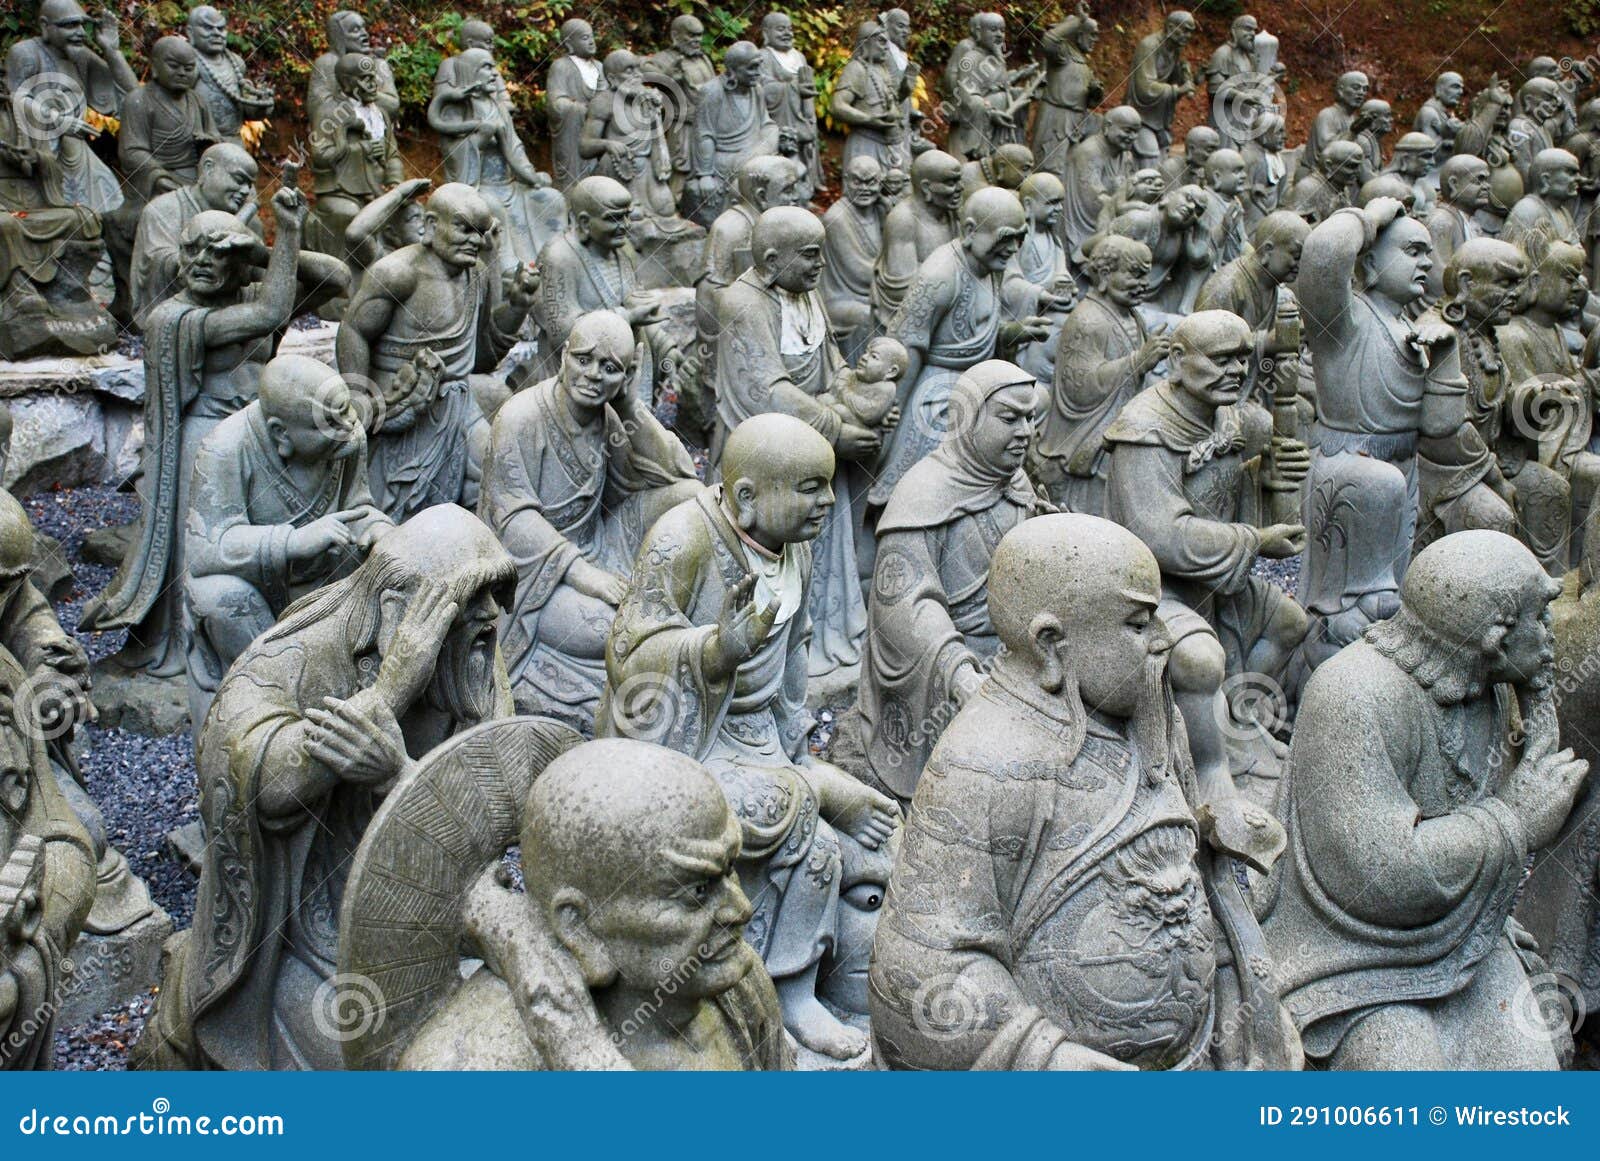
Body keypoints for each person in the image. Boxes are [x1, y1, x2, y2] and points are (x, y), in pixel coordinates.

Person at [870, 514, 1299, 1071]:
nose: (1164, 640)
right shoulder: (985, 764)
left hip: (1200, 1042)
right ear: (1052, 644)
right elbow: (921, 970)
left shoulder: (1153, 715)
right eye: (1139, 623)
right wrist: (1047, 1059)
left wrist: (1238, 979)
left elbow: (1184, 861)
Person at [133, 506, 519, 1071]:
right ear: (397, 612)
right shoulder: (293, 657)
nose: (489, 613)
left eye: (495, 595)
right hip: (319, 931)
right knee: (375, 1063)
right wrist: (388, 693)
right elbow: (251, 776)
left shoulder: (475, 659)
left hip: (439, 909)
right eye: (469, 599)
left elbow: (495, 793)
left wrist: (399, 773)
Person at [599, 415, 902, 1061]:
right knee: (802, 816)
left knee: (826, 841)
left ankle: (793, 988)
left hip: (758, 734)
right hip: (681, 738)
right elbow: (628, 651)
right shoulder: (682, 539)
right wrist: (714, 648)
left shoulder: (798, 543)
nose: (829, 501)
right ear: (744, 499)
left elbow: (798, 646)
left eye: (827, 487)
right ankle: (749, 983)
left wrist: (793, 737)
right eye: (811, 487)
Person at [1261, 531, 1583, 1069]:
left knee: (1528, 1066)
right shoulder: (1356, 693)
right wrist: (1513, 821)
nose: (1551, 635)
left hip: (1465, 935)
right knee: (1402, 1069)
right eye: (1540, 618)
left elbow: (1523, 769)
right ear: (1495, 637)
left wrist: (1538, 695)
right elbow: (1375, 873)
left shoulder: (1489, 683)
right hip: (1352, 953)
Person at [367, 736, 793, 1071]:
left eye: (731, 869)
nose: (741, 909)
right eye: (697, 892)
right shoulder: (472, 1065)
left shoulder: (740, 985)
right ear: (579, 927)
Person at [83, 178, 345, 677]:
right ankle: (189, 646)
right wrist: (286, 233)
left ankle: (260, 632)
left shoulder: (252, 287)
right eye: (191, 249)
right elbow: (269, 314)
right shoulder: (175, 318)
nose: (200, 261)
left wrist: (262, 253)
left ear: (239, 262)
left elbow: (336, 278)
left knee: (260, 538)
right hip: (202, 439)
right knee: (198, 540)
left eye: (217, 252)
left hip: (261, 438)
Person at [1104, 311, 1306, 871]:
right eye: (1221, 359)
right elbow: (1159, 533)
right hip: (1152, 589)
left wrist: (1265, 480)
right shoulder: (1143, 430)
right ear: (1176, 360)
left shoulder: (1230, 419)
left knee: (1291, 622)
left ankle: (1239, 722)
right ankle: (1210, 780)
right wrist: (1255, 539)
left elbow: (1224, 487)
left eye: (1244, 358)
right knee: (1198, 659)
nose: (1236, 370)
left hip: (1214, 582)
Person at [832, 362, 1049, 806]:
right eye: (1010, 418)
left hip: (1026, 648)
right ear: (968, 418)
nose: (1025, 431)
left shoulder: (1016, 484)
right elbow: (907, 605)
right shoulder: (923, 495)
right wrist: (957, 670)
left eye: (1030, 418)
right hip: (955, 662)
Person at [479, 311, 701, 731]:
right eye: (583, 359)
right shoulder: (520, 418)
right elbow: (513, 520)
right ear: (563, 356)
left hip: (600, 540)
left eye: (610, 368)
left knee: (690, 500)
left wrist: (630, 404)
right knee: (617, 631)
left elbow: (678, 473)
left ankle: (669, 614)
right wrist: (583, 575)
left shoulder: (609, 414)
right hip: (538, 577)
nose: (593, 376)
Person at [710, 208, 879, 677]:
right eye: (810, 256)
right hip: (769, 455)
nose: (821, 265)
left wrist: (858, 400)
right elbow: (769, 391)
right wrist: (837, 429)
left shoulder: (803, 291)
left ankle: (824, 628)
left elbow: (832, 361)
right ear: (769, 260)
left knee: (827, 540)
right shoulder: (742, 303)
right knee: (764, 556)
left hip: (816, 443)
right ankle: (762, 651)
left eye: (822, 254)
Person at [184, 354, 393, 726]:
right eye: (330, 422)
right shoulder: (224, 449)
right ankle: (260, 711)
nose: (348, 425)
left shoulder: (347, 436)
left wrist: (376, 530)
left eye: (347, 412)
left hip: (324, 578)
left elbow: (357, 507)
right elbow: (205, 549)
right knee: (219, 596)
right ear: (282, 434)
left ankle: (360, 702)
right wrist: (292, 541)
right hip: (258, 587)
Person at [337, 183, 538, 521]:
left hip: (460, 409)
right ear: (430, 227)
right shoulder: (398, 274)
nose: (474, 240)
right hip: (402, 407)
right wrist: (359, 395)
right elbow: (353, 330)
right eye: (463, 228)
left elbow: (482, 358)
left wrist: (517, 306)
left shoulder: (477, 274)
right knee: (390, 512)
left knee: (498, 472)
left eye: (481, 232)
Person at [877, 187, 1044, 501]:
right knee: (937, 480)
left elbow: (975, 333)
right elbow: (905, 348)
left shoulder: (991, 266)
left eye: (1019, 239)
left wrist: (1011, 334)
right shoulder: (939, 276)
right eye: (1006, 238)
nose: (1013, 249)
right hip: (936, 393)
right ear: (970, 230)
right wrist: (888, 413)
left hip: (978, 384)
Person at [1030, 234, 1165, 515]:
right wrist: (1139, 360)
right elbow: (1079, 388)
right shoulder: (1088, 320)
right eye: (1135, 275)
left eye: (1146, 276)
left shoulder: (1131, 315)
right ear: (1105, 273)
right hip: (1088, 439)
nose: (1144, 285)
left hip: (1122, 428)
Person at [428, 48, 564, 269]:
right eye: (486, 67)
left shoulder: (497, 105)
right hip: (482, 186)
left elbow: (515, 146)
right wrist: (482, 136)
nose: (494, 73)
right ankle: (508, 268)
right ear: (471, 72)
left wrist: (531, 176)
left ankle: (555, 257)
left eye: (493, 66)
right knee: (491, 208)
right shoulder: (458, 107)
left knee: (550, 198)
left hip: (512, 187)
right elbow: (453, 152)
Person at [130, 141, 257, 326]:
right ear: (208, 169)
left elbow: (260, 277)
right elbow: (159, 263)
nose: (246, 191)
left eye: (250, 184)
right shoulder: (164, 209)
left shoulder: (247, 220)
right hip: (173, 318)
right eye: (239, 180)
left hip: (228, 318)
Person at [579, 50, 699, 243]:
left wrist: (654, 114)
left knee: (666, 209)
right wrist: (607, 144)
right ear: (612, 78)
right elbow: (584, 147)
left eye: (637, 68)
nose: (637, 74)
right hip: (620, 168)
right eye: (629, 70)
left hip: (649, 169)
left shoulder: (647, 99)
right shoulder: (603, 102)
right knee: (632, 215)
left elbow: (657, 139)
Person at [307, 52, 403, 262]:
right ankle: (342, 277)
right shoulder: (329, 112)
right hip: (340, 191)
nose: (373, 84)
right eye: (365, 79)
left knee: (408, 215)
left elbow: (393, 154)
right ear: (347, 82)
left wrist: (394, 181)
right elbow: (320, 156)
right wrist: (359, 147)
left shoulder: (380, 114)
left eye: (374, 78)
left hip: (377, 189)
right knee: (349, 216)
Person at [685, 41, 786, 226]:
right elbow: (704, 134)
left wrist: (770, 138)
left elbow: (766, 123)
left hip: (754, 152)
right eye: (752, 68)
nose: (758, 73)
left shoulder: (756, 90)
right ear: (732, 70)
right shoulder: (712, 92)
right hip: (725, 158)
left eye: (759, 67)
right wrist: (705, 174)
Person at [117, 37, 219, 206]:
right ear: (155, 67)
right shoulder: (138, 100)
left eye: (189, 68)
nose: (182, 73)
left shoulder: (198, 100)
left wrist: (209, 144)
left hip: (199, 177)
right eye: (174, 66)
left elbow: (216, 138)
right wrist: (158, 176)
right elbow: (132, 152)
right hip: (159, 178)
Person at [871, 148, 961, 328]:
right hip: (912, 321)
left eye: (959, 180)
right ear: (927, 187)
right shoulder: (903, 220)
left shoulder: (952, 213)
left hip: (949, 307)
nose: (960, 188)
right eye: (951, 182)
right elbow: (901, 288)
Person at [820, 155, 886, 362]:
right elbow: (858, 271)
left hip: (877, 290)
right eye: (857, 181)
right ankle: (860, 375)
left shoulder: (880, 211)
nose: (864, 189)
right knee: (870, 317)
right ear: (845, 181)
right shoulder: (836, 218)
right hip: (842, 298)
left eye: (871, 182)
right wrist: (898, 277)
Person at [185, 6, 274, 147]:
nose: (216, 33)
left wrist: (261, 103)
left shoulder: (236, 63)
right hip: (198, 143)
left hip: (234, 140)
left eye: (221, 29)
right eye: (208, 28)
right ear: (190, 33)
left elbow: (247, 109)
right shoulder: (188, 61)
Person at [831, 21, 910, 176]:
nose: (886, 47)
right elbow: (837, 105)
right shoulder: (856, 69)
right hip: (866, 143)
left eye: (887, 43)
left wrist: (904, 91)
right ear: (866, 43)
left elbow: (890, 103)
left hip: (889, 143)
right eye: (881, 42)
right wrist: (868, 119)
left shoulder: (883, 70)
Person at [1033, 2, 1103, 177]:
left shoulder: (1082, 62)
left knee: (1068, 170)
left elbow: (1090, 101)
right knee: (1050, 168)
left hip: (1076, 122)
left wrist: (1095, 92)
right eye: (1092, 35)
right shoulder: (1063, 54)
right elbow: (1049, 41)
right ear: (1079, 34)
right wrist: (1079, 19)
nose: (1096, 40)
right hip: (1057, 118)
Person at [758, 13, 821, 202]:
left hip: (802, 114)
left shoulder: (799, 56)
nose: (787, 33)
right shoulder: (764, 57)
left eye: (789, 29)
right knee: (784, 154)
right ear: (766, 33)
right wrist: (792, 88)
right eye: (780, 29)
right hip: (779, 117)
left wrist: (810, 116)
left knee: (805, 152)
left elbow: (807, 86)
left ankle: (805, 193)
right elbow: (762, 88)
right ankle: (779, 194)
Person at [1127, 9, 1198, 166]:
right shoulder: (1149, 46)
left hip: (1160, 117)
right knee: (1150, 157)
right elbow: (1145, 88)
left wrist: (1186, 76)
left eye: (1190, 32)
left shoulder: (1175, 50)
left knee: (1163, 157)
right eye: (1185, 30)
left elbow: (1174, 83)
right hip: (1141, 115)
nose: (1188, 36)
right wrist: (1177, 90)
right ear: (1171, 27)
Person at [545, 19, 606, 191]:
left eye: (592, 36)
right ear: (569, 43)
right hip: (574, 133)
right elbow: (556, 104)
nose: (591, 41)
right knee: (575, 180)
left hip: (599, 130)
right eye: (585, 38)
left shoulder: (600, 67)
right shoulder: (561, 67)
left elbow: (609, 97)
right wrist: (585, 110)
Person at [306, 11, 398, 124]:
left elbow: (393, 106)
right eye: (355, 30)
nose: (364, 34)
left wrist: (369, 94)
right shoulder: (328, 63)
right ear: (339, 36)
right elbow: (317, 110)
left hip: (376, 133)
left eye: (364, 28)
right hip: (343, 135)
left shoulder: (379, 65)